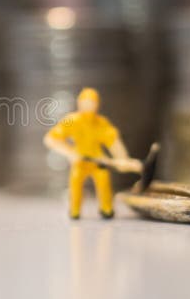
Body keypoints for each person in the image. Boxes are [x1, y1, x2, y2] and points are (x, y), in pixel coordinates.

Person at [44, 87, 141, 219]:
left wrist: (123, 159)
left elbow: (114, 142)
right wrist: (70, 153)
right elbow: (50, 139)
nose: (89, 105)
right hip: (80, 161)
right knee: (76, 184)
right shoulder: (71, 120)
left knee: (104, 182)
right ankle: (75, 211)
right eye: (86, 102)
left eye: (92, 102)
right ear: (79, 103)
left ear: (98, 104)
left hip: (98, 161)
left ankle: (106, 210)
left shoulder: (102, 123)